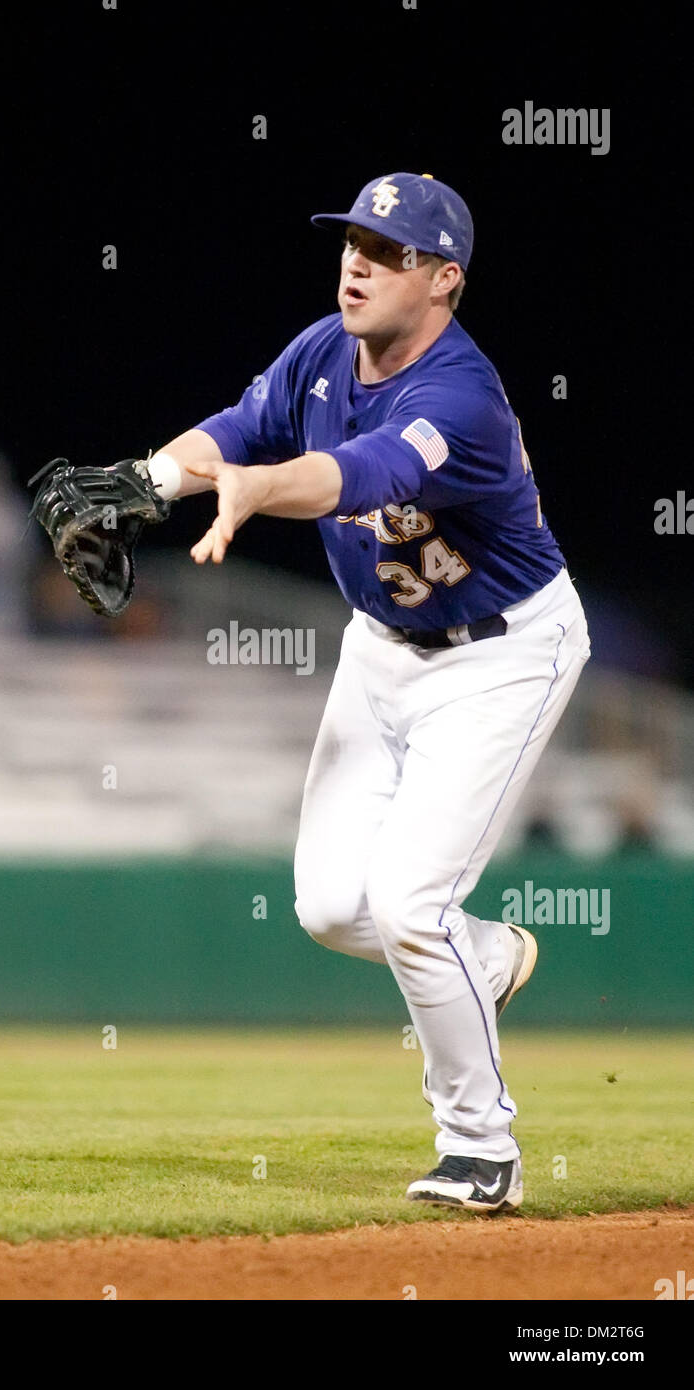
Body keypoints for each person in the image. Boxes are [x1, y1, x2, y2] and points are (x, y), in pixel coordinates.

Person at [143, 172, 591, 1211]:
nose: (356, 261)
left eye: (387, 252)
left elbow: (367, 474)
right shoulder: (320, 350)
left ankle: (481, 1148)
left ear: (442, 281)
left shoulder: (460, 398)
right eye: (352, 240)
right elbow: (239, 426)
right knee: (331, 906)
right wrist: (153, 481)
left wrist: (258, 489)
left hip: (499, 655)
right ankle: (487, 957)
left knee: (405, 903)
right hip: (380, 646)